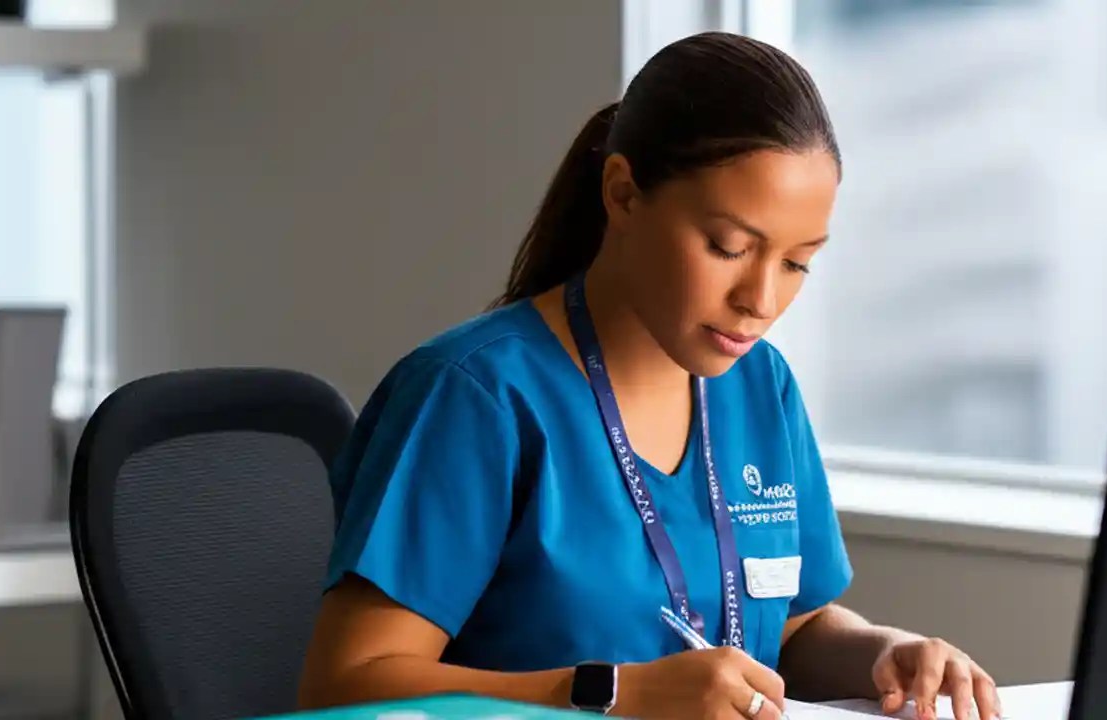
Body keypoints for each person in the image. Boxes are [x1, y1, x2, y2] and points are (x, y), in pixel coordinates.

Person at [299, 31, 1001, 720]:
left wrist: (885, 653)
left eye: (796, 263)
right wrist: (613, 694)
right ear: (624, 195)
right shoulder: (476, 397)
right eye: (729, 247)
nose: (761, 301)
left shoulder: (760, 386)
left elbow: (788, 628)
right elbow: (345, 684)